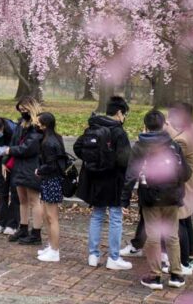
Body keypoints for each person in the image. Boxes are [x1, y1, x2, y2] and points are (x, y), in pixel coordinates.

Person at [121, 109, 191, 291]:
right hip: (172, 197)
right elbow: (186, 173)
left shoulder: (140, 146)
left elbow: (131, 175)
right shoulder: (174, 145)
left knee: (152, 236)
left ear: (145, 126)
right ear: (163, 125)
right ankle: (176, 274)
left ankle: (155, 276)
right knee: (172, 235)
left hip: (150, 196)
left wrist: (124, 199)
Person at [74, 96, 133, 270]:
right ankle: (114, 257)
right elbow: (125, 160)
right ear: (120, 112)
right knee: (115, 217)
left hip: (94, 179)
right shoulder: (119, 132)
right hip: (113, 181)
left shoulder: (93, 125)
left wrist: (92, 162)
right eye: (125, 114)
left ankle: (93, 255)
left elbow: (78, 147)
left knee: (97, 215)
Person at [3, 96, 44, 246]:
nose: (22, 112)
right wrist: (6, 160)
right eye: (20, 110)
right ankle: (23, 227)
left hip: (31, 166)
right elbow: (14, 141)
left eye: (24, 110)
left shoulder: (38, 125)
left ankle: (36, 232)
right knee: (22, 200)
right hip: (19, 165)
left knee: (34, 200)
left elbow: (30, 147)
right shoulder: (21, 123)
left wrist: (11, 150)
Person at [168, 101, 193, 276]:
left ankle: (183, 263)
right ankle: (189, 258)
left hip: (185, 184)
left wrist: (167, 131)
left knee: (180, 221)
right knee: (187, 221)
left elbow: (173, 147)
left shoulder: (182, 139)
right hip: (192, 181)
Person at [33, 112, 66, 262]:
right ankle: (51, 245)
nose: (36, 124)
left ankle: (55, 250)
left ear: (44, 125)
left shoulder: (48, 143)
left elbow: (51, 165)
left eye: (39, 122)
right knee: (47, 215)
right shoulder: (55, 138)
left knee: (52, 217)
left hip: (51, 180)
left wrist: (39, 171)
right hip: (51, 180)